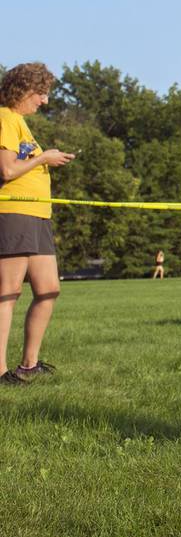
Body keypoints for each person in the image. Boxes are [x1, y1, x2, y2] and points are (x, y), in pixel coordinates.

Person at [0, 63, 74, 385]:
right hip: (14, 213)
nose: (44, 101)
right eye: (41, 94)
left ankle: (28, 364)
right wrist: (44, 159)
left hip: (38, 217)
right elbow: (7, 171)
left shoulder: (21, 124)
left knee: (49, 289)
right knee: (8, 291)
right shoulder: (5, 118)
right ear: (23, 90)